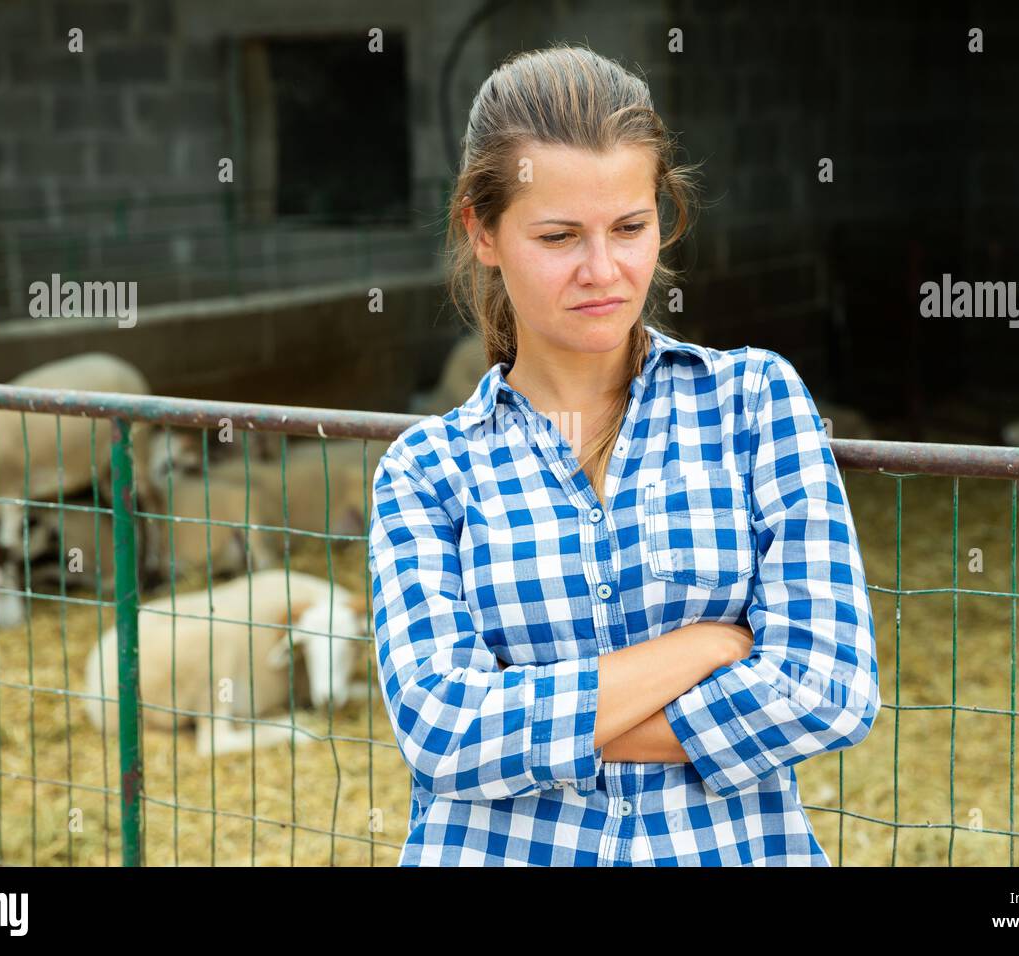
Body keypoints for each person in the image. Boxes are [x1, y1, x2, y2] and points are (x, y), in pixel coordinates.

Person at [367, 43, 880, 866]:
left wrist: (533, 726)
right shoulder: (428, 471)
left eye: (631, 227)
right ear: (483, 231)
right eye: (559, 235)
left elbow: (830, 690)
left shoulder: (754, 404)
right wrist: (705, 647)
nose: (603, 271)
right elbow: (444, 734)